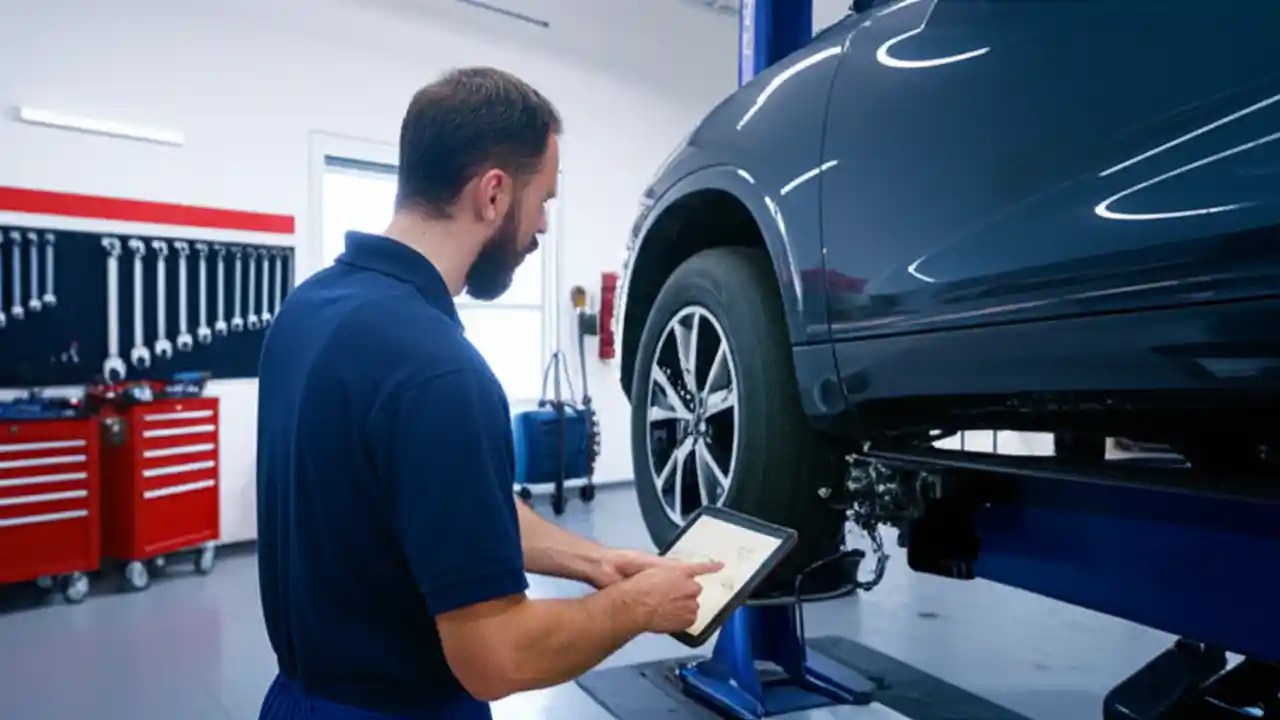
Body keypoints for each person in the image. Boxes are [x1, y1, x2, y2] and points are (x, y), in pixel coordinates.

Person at [253, 67, 721, 719]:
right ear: (494, 194)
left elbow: (449, 506)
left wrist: (600, 562)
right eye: (545, 201)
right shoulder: (441, 371)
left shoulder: (309, 310)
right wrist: (638, 606)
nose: (544, 228)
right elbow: (498, 656)